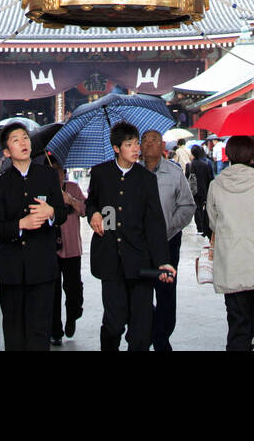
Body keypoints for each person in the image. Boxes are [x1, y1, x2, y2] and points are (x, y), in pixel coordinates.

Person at [86, 121, 177, 352]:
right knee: (114, 324)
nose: (136, 148)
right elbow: (92, 202)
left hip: (140, 261)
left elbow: (155, 223)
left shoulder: (146, 179)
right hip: (110, 259)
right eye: (129, 144)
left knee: (140, 330)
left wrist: (162, 260)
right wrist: (93, 214)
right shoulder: (100, 173)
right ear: (116, 148)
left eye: (137, 143)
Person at [0, 122, 66, 351]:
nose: (23, 143)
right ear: (6, 151)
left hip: (42, 267)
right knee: (13, 331)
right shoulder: (0, 185)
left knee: (39, 331)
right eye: (16, 140)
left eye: (25, 137)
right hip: (10, 269)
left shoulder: (49, 176)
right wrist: (20, 224)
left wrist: (51, 212)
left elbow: (62, 213)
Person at [205, 135, 254, 352]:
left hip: (232, 263)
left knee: (238, 324)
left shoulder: (216, 185)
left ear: (228, 155)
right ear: (253, 154)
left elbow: (213, 221)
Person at [141, 128, 196, 351]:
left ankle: (162, 337)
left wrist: (168, 227)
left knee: (165, 292)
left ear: (162, 145)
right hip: (141, 244)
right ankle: (149, 332)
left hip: (168, 241)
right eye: (143, 140)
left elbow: (187, 206)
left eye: (153, 140)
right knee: (140, 291)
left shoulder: (174, 173)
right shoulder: (133, 173)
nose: (147, 144)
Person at [47, 154, 86, 345]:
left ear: (64, 172)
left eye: (58, 171)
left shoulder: (73, 188)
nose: (56, 175)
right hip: (50, 250)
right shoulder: (44, 191)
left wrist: (70, 200)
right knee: (52, 292)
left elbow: (85, 210)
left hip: (71, 249)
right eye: (51, 171)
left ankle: (73, 316)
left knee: (73, 289)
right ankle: (55, 330)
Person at [187, 143, 214, 235]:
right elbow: (209, 178)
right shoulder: (205, 164)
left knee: (197, 208)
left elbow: (187, 179)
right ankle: (205, 225)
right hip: (204, 189)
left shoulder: (189, 165)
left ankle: (199, 227)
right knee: (204, 208)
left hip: (194, 190)